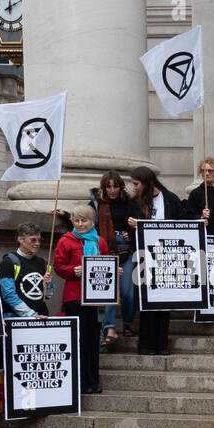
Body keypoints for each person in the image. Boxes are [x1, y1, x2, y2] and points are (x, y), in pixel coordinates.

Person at [126, 166, 184, 355]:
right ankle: (146, 344)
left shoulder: (171, 199)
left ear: (146, 182)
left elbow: (180, 226)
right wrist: (135, 229)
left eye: (136, 184)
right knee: (148, 301)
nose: (134, 187)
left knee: (164, 302)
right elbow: (131, 232)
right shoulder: (135, 203)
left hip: (167, 258)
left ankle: (162, 344)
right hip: (145, 257)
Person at [52, 205, 109, 395]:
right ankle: (81, 382)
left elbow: (105, 264)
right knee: (79, 340)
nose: (80, 224)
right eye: (76, 220)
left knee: (93, 340)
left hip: (95, 297)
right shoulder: (66, 241)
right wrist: (72, 271)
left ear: (92, 222)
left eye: (84, 220)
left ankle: (94, 381)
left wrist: (113, 271)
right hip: (74, 297)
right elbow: (58, 266)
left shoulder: (100, 242)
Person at [90, 170, 142, 346]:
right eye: (108, 186)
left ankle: (127, 321)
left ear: (121, 187)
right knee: (108, 291)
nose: (112, 190)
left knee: (128, 292)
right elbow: (84, 222)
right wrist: (65, 215)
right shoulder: (97, 204)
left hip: (127, 250)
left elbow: (140, 224)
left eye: (115, 186)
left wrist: (130, 233)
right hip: (105, 250)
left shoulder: (130, 203)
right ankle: (110, 328)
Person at [0, 222, 52, 318]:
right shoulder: (9, 262)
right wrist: (31, 315)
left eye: (39, 240)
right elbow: (8, 294)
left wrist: (48, 286)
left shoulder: (43, 262)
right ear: (20, 239)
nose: (37, 243)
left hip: (41, 316)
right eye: (33, 240)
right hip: (16, 319)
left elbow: (48, 296)